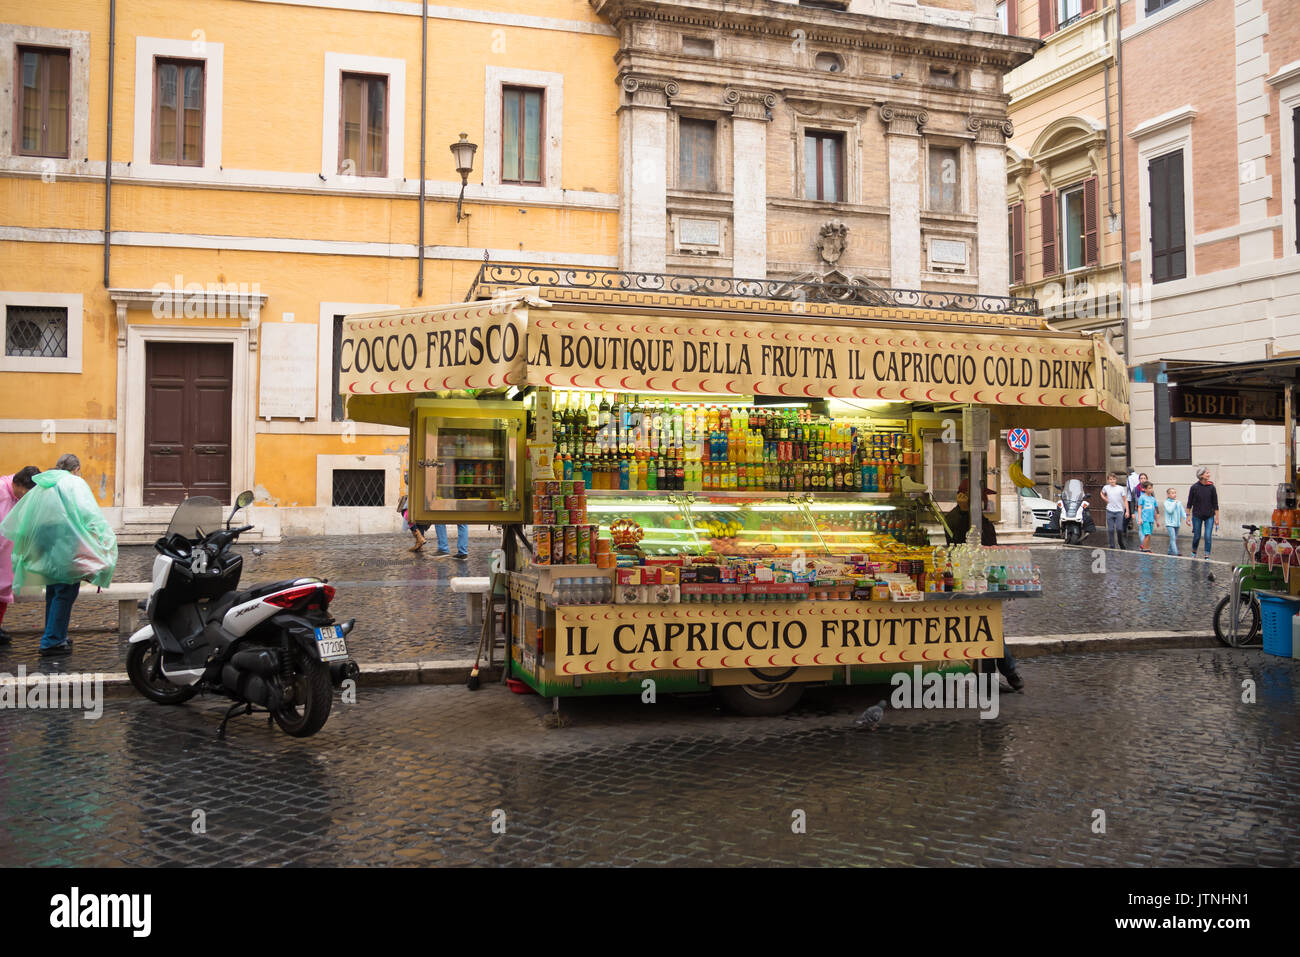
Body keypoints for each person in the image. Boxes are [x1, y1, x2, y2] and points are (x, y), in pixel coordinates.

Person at [0, 454, 117, 657]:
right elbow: (88, 514)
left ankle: (54, 634)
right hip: (68, 550)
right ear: (76, 469)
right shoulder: (74, 483)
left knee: (54, 593)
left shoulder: (45, 482)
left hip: (48, 549)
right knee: (65, 593)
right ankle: (52, 641)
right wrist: (105, 540)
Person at [0, 466, 41, 645]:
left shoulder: (21, 496)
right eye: (25, 492)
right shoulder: (1, 490)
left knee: (4, 589)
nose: (26, 497)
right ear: (16, 483)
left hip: (8, 551)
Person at [1187, 466, 1219, 565]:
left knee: (1208, 536)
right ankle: (1194, 551)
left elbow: (1215, 504)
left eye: (1209, 473)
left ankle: (1207, 555)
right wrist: (1188, 516)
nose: (1209, 475)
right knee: (1197, 535)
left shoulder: (1212, 487)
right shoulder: (1194, 487)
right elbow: (1189, 503)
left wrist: (1217, 518)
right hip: (1197, 515)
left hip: (1209, 515)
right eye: (1207, 473)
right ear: (1201, 475)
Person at [1101, 473, 1130, 549]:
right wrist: (1104, 498)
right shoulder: (1106, 487)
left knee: (1119, 529)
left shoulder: (1120, 488)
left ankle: (1120, 543)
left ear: (1116, 480)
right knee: (1110, 530)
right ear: (1108, 480)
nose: (1112, 481)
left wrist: (1127, 511)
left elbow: (1125, 500)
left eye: (1113, 479)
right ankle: (1112, 545)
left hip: (1119, 511)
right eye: (1110, 479)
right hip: (1109, 511)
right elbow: (1101, 493)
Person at [1161, 487, 1187, 556]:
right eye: (1172, 493)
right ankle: (1176, 552)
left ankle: (1169, 551)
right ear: (1168, 495)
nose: (1174, 494)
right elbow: (1170, 511)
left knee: (1175, 538)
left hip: (1177, 524)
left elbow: (1182, 512)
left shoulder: (1179, 502)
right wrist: (1174, 504)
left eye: (1175, 493)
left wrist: (1186, 519)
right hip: (1170, 524)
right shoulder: (1166, 502)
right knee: (1173, 538)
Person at [1137, 481, 1158, 552]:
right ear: (1144, 489)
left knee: (1149, 536)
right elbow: (1139, 508)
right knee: (1147, 535)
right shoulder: (1142, 497)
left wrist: (1157, 520)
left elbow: (1155, 510)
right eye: (1149, 488)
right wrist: (1139, 518)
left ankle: (1147, 548)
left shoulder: (1153, 499)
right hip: (1145, 519)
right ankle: (1144, 549)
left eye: (1151, 488)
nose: (1151, 489)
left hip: (1151, 519)